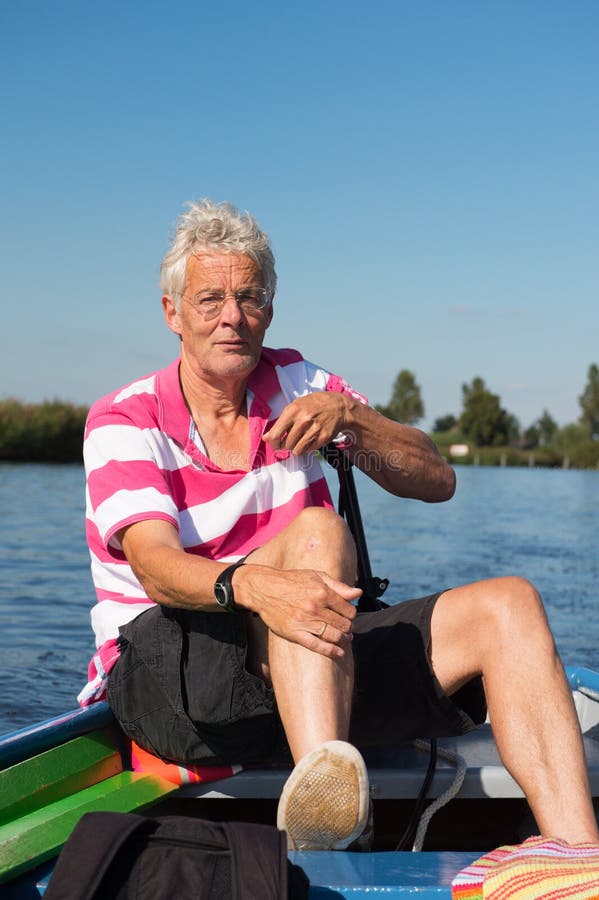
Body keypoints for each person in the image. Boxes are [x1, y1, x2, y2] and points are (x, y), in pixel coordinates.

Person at [81, 199, 599, 851]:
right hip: (179, 677)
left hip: (314, 660)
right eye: (209, 299)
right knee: (319, 535)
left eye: (250, 296)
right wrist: (261, 590)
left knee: (509, 606)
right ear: (172, 312)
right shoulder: (128, 420)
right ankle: (330, 829)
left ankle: (580, 857)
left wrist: (356, 425)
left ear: (270, 307)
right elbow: (155, 566)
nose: (232, 317)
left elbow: (433, 483)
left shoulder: (305, 388)